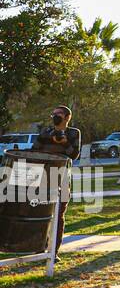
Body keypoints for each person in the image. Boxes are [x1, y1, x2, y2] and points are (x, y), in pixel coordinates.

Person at [32, 105, 80, 254]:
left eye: (58, 114)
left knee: (58, 216)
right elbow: (35, 150)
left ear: (67, 117)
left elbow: (74, 155)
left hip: (62, 178)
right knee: (40, 213)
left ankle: (54, 251)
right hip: (43, 178)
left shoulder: (73, 133)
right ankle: (39, 248)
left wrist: (64, 142)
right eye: (53, 114)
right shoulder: (45, 132)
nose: (55, 117)